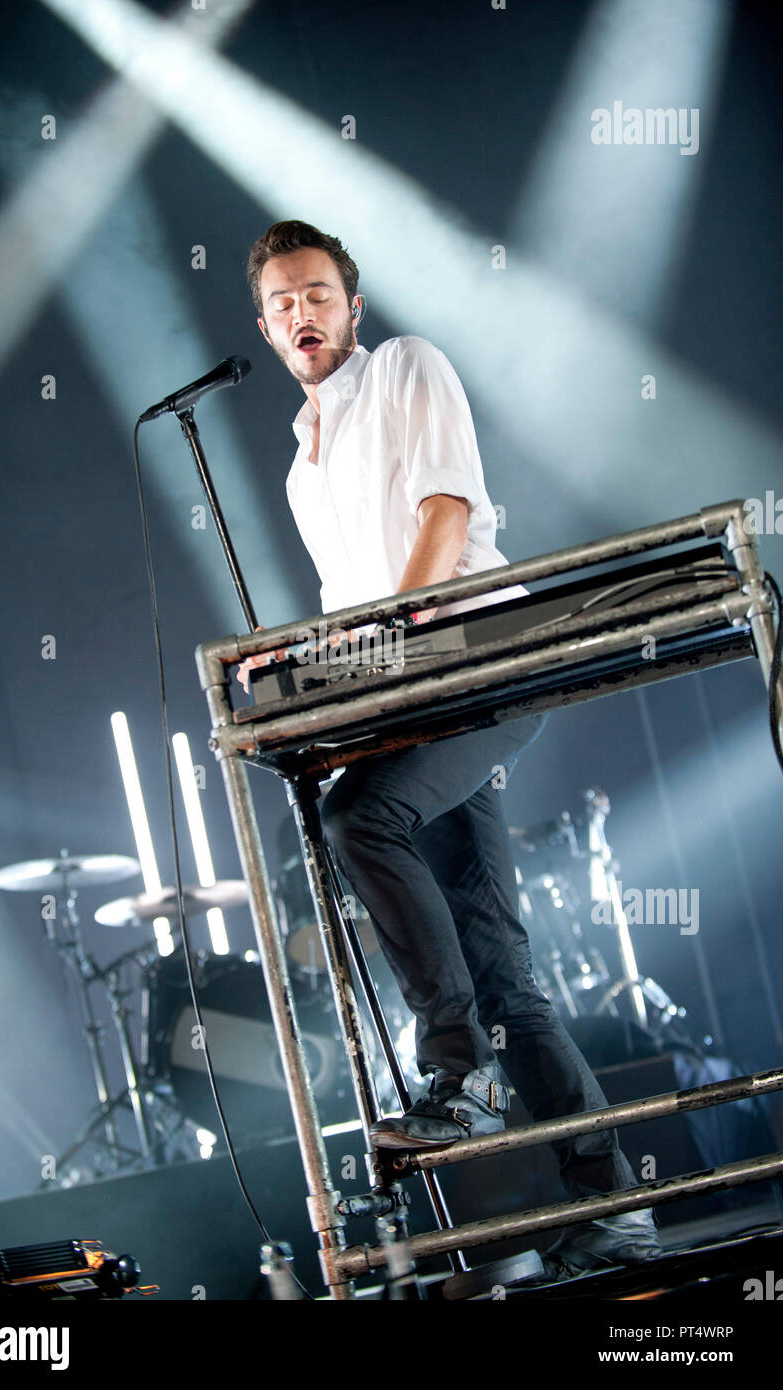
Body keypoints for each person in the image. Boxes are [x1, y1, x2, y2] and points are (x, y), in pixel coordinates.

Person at [239, 219, 661, 1281]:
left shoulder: (407, 370)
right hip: (414, 693)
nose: (303, 314)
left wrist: (381, 649)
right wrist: (314, 678)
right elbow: (349, 608)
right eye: (283, 302)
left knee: (357, 818)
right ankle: (613, 1206)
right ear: (263, 324)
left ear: (353, 304)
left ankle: (456, 1069)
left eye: (319, 293)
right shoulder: (299, 467)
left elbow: (441, 517)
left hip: (483, 660)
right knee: (506, 970)